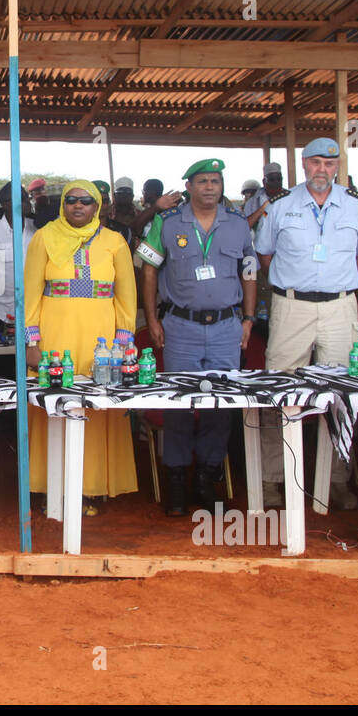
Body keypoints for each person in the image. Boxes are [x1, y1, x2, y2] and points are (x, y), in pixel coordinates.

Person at [253, 137, 358, 509]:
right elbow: (264, 254)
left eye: (330, 163)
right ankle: (274, 479)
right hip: (292, 307)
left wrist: (335, 286)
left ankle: (337, 478)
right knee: (280, 392)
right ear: (303, 165)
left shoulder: (356, 208)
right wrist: (297, 285)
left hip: (340, 308)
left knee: (341, 395)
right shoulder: (280, 207)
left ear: (337, 167)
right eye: (316, 163)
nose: (322, 170)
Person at [138, 158, 256, 515]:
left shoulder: (237, 225)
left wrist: (248, 319)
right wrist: (153, 319)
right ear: (188, 186)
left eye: (215, 181)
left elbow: (248, 272)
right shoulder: (167, 222)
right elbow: (148, 271)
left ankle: (206, 477)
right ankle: (175, 480)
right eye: (202, 181)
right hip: (181, 326)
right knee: (178, 405)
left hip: (225, 327)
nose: (209, 187)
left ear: (222, 186)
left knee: (220, 405)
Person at [24, 180, 137, 512]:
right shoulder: (44, 237)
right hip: (55, 337)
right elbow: (30, 295)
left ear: (97, 206)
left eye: (86, 201)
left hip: (99, 342)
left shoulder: (115, 242)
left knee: (95, 408)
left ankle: (89, 487)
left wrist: (122, 343)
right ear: (63, 205)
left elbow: (126, 298)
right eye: (71, 200)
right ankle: (50, 488)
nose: (77, 206)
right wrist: (32, 342)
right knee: (53, 407)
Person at [0, 180, 35, 345]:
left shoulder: (36, 230)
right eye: (20, 198)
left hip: (32, 308)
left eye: (26, 198)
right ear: (5, 204)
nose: (26, 202)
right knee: (5, 362)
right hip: (0, 310)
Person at [243, 162, 288, 229]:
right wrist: (263, 210)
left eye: (279, 179)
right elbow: (245, 227)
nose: (276, 183)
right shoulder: (252, 202)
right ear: (264, 182)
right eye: (272, 180)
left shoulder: (289, 198)